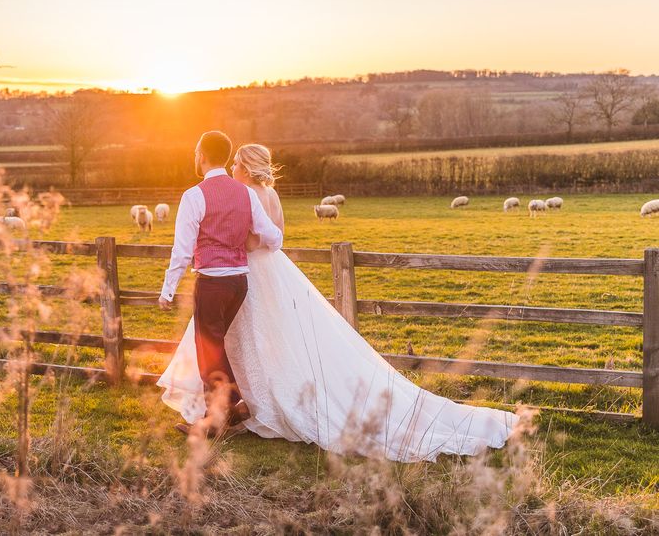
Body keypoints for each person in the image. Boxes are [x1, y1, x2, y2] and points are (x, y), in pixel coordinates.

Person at [157, 142, 519, 461]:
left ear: (244, 165)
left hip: (242, 273)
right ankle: (232, 409)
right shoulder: (257, 193)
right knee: (252, 343)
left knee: (238, 342)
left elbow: (254, 241)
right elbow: (276, 237)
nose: (234, 166)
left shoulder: (236, 193)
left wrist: (223, 247)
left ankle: (234, 410)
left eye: (238, 162)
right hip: (257, 275)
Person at [157, 131, 284, 436]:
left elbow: (182, 250)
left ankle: (231, 405)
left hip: (212, 283)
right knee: (216, 348)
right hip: (239, 284)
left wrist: (167, 290)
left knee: (208, 351)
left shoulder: (194, 195)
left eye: (195, 151)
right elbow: (274, 237)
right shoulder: (246, 194)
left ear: (201, 155)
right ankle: (221, 415)